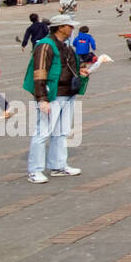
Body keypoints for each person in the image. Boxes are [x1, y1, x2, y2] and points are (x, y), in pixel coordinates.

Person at [25, 13, 91, 183]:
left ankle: (58, 165)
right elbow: (39, 72)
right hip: (53, 94)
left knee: (61, 132)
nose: (72, 29)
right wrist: (42, 98)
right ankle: (35, 170)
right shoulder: (45, 46)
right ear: (60, 27)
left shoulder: (65, 45)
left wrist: (81, 71)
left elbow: (71, 65)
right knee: (43, 132)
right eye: (69, 26)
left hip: (67, 93)